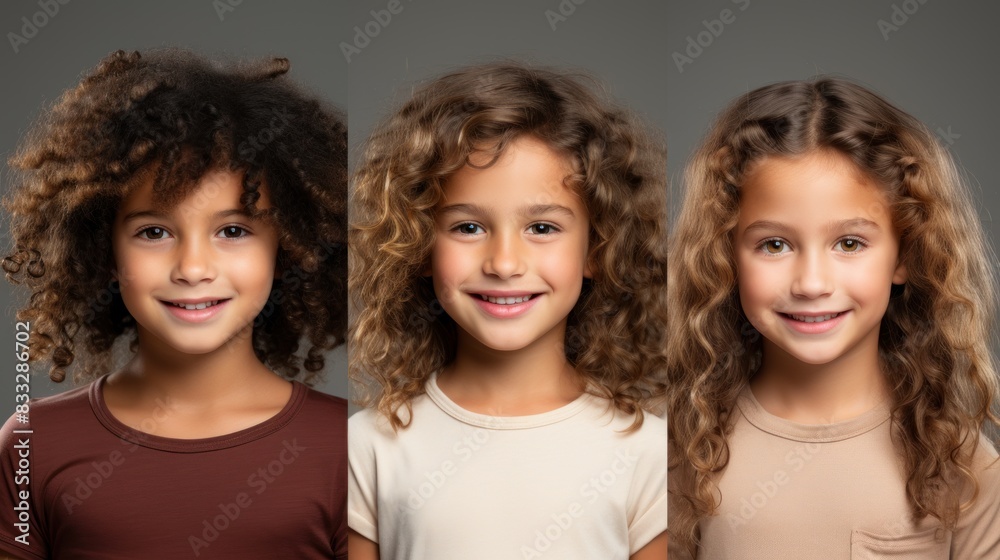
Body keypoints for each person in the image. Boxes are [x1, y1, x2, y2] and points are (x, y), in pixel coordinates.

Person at [0, 49, 349, 559]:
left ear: (290, 246)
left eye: (233, 230)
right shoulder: (30, 444)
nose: (192, 267)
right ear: (103, 246)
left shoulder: (347, 448)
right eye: (155, 231)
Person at [667, 77, 1000, 559]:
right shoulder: (686, 453)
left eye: (849, 243)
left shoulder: (963, 469)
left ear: (905, 255)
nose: (811, 283)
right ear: (726, 258)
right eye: (774, 245)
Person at [347, 62, 668, 560]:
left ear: (598, 249)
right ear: (419, 247)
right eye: (468, 228)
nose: (503, 264)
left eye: (542, 228)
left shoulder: (647, 452)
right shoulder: (368, 447)